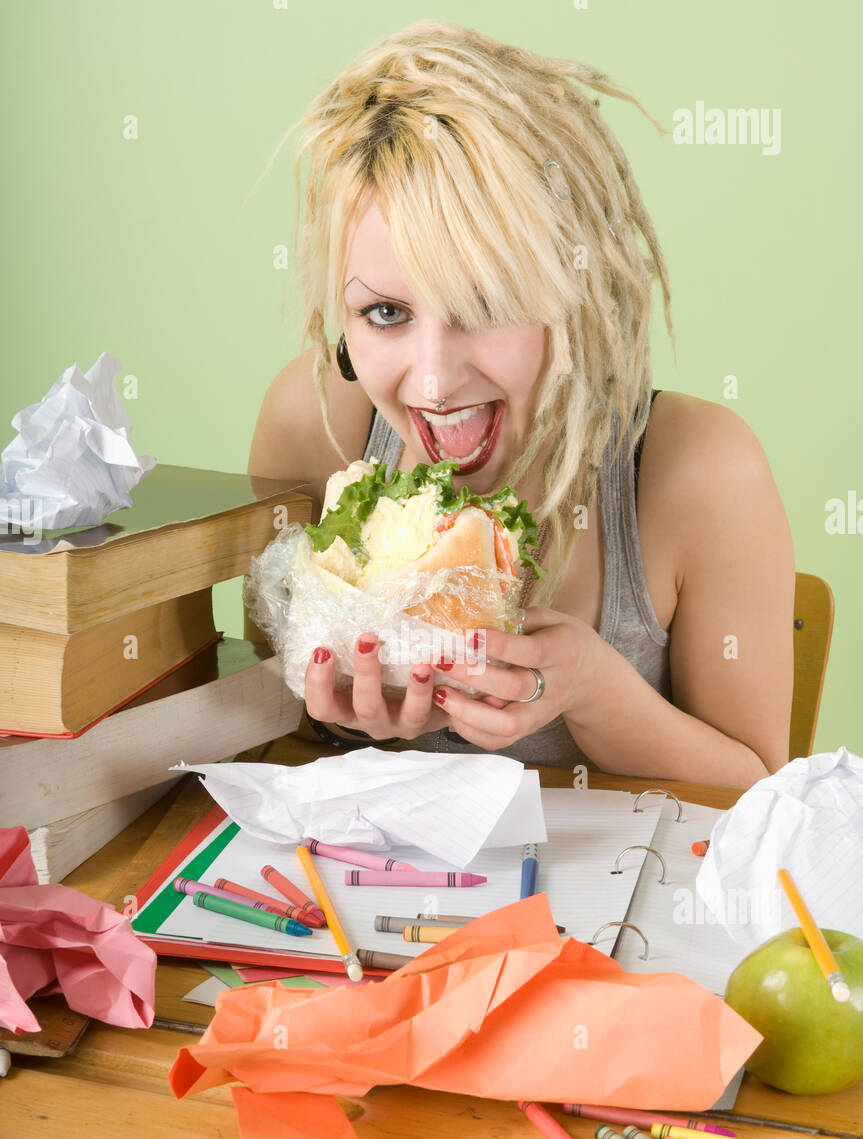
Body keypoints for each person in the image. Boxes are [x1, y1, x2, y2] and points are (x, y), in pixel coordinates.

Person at [247, 20, 795, 789]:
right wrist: (345, 716)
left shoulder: (700, 469)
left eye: (485, 304)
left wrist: (593, 690)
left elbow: (761, 784)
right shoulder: (314, 426)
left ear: (574, 294)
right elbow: (279, 736)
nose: (432, 383)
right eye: (385, 314)